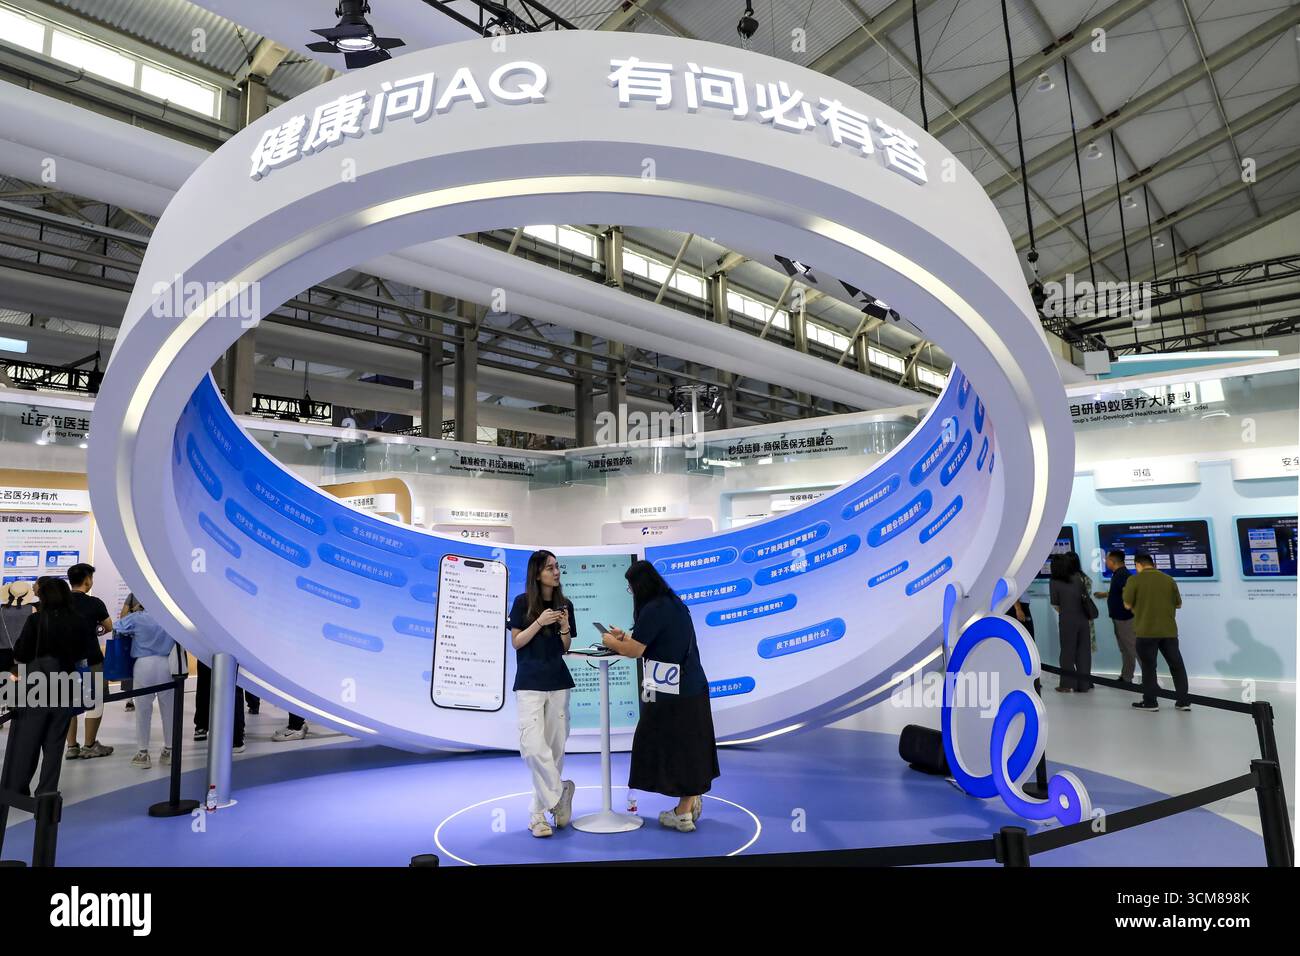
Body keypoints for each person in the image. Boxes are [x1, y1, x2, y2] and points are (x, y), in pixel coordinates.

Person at [603, 560, 719, 833]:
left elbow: (635, 651)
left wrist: (612, 643)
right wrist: (627, 637)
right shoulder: (672, 603)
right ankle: (686, 807)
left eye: (631, 589)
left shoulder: (654, 608)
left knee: (672, 747)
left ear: (639, 586)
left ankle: (683, 813)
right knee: (691, 749)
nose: (632, 593)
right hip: (691, 688)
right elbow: (653, 641)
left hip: (673, 694)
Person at [0, 577, 94, 797]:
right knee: (55, 742)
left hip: (36, 685)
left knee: (28, 739)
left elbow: (21, 653)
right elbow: (86, 653)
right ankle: (47, 790)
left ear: (44, 597)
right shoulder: (78, 620)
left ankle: (18, 788)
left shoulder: (37, 620)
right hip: (66, 684)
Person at [507, 549, 576, 838]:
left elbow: (566, 647)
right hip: (530, 684)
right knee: (534, 748)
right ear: (537, 573)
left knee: (555, 748)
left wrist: (564, 627)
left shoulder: (565, 604)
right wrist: (539, 622)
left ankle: (538, 816)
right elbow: (517, 643)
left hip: (558, 682)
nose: (556, 572)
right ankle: (561, 794)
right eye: (550, 568)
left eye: (557, 567)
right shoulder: (523, 602)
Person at [113, 595, 178, 769]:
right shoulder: (169, 617)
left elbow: (117, 626)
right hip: (167, 664)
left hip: (143, 665)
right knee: (169, 709)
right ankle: (169, 750)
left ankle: (143, 753)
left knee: (142, 710)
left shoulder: (137, 618)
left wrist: (133, 611)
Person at [1123, 553, 1191, 712]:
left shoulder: (1134, 580)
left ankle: (1150, 702)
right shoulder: (1168, 579)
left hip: (1146, 631)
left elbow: (1127, 604)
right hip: (1169, 631)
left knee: (1148, 667)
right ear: (1152, 564)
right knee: (1177, 666)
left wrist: (1139, 608)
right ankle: (1183, 702)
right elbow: (1179, 604)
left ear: (1137, 565)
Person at [64, 563, 113, 759]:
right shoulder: (95, 603)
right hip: (91, 659)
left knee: (70, 703)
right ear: (87, 580)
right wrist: (96, 629)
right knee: (96, 701)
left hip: (66, 662)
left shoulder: (60, 602)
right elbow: (108, 626)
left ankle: (71, 746)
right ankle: (90, 744)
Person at [1049, 552, 1094, 692]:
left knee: (1067, 651)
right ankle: (1084, 684)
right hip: (1083, 619)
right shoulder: (1077, 578)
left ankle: (1068, 684)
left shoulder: (1054, 581)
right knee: (1084, 651)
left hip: (1067, 619)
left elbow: (1056, 604)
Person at [1094, 550, 1137, 683]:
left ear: (1112, 562)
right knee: (1125, 648)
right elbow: (1120, 592)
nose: (1106, 563)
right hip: (1120, 618)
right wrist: (1106, 594)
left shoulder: (1122, 575)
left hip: (1125, 618)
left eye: (1107, 560)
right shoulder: (1119, 574)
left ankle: (1147, 679)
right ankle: (1126, 676)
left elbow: (1128, 593)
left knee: (1131, 648)